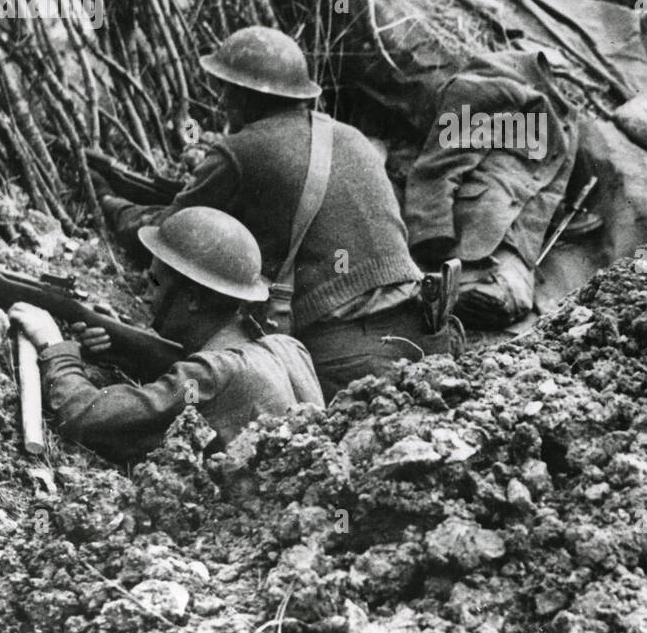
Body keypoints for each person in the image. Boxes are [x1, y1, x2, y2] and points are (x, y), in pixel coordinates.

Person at [96, 26, 452, 399]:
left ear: (240, 96)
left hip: (344, 355)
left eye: (227, 90)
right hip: (425, 331)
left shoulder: (241, 151)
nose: (224, 101)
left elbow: (166, 234)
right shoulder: (349, 137)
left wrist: (108, 201)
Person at [9, 207, 324, 462]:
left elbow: (84, 416)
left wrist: (55, 346)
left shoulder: (213, 373)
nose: (146, 297)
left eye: (155, 283)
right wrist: (120, 352)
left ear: (193, 300)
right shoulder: (289, 349)